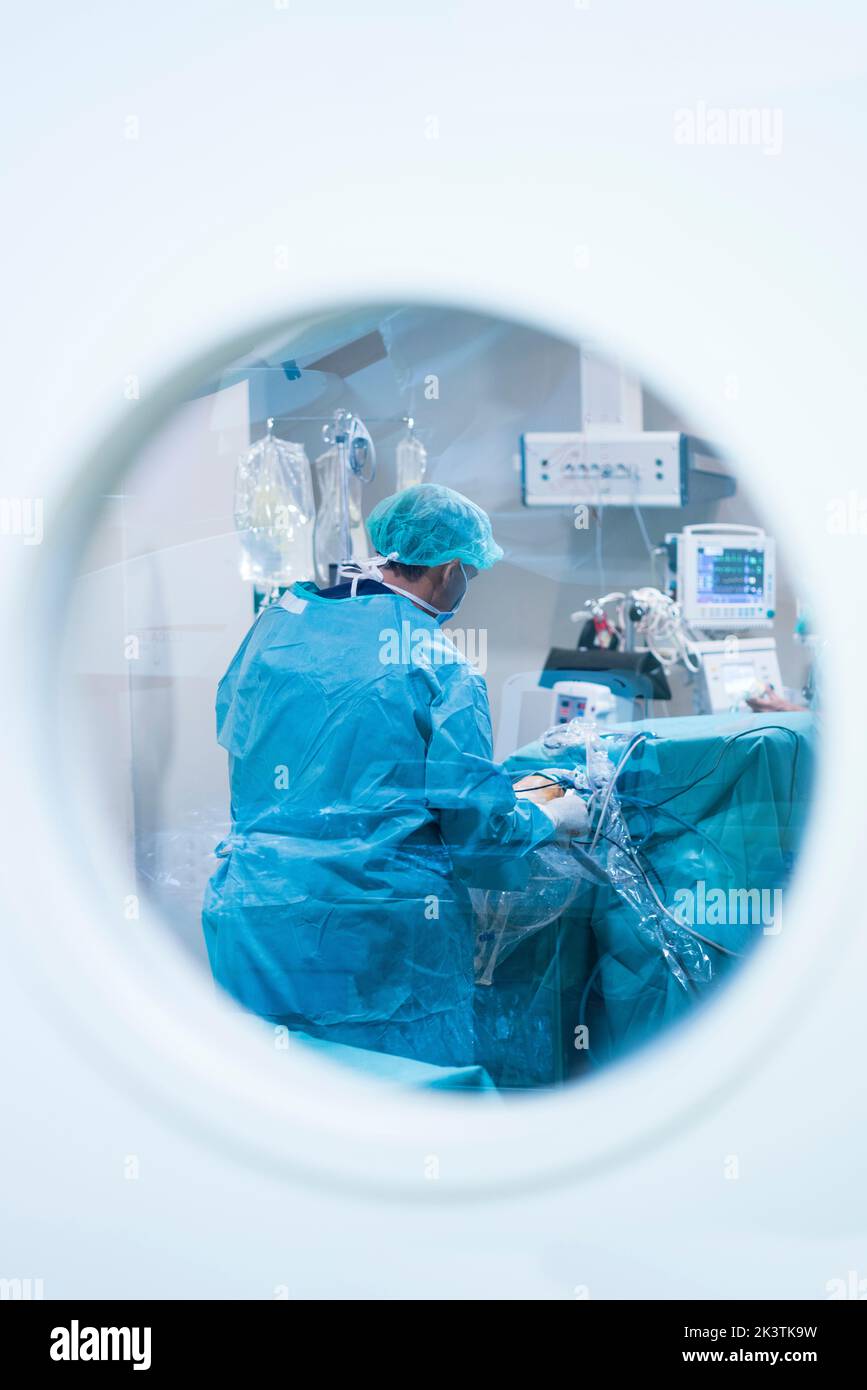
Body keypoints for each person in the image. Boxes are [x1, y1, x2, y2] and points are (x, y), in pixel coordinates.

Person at [203, 483, 586, 1069]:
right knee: (398, 1113)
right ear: (450, 568)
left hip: (257, 915)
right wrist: (546, 812)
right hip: (376, 933)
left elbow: (235, 725)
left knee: (272, 1103)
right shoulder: (439, 664)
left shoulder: (278, 624)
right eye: (470, 574)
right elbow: (477, 831)